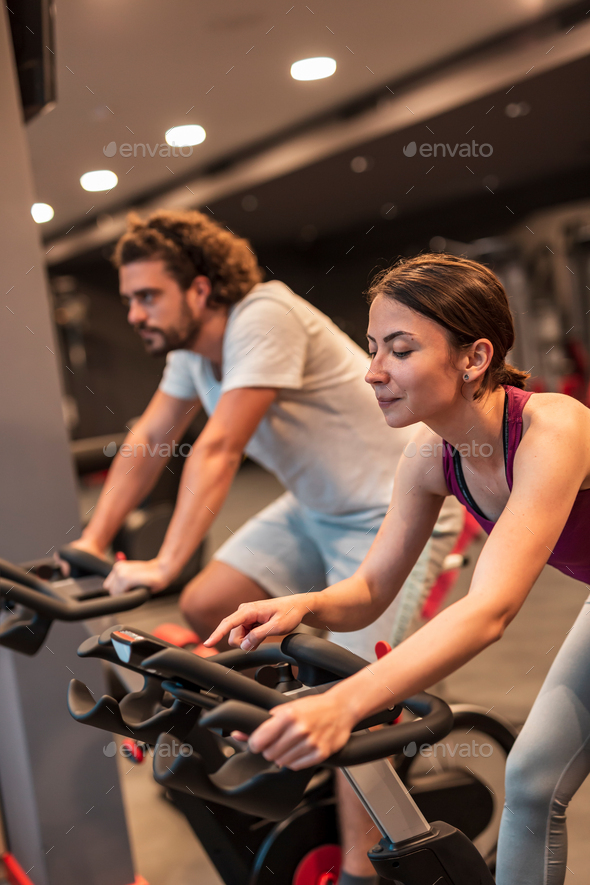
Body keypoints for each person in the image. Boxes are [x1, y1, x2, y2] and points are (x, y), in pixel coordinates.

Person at [66, 211, 462, 885]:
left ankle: (361, 868)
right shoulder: (192, 352)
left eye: (147, 295)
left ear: (199, 289)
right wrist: (93, 540)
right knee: (208, 604)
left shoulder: (264, 315)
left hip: (391, 508)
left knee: (353, 702)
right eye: (128, 298)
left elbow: (219, 445)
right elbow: (151, 437)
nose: (133, 312)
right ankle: (290, 742)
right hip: (314, 508)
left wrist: (165, 560)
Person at [206, 252, 590, 885]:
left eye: (401, 350)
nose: (373, 371)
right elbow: (370, 588)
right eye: (373, 348)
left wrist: (344, 704)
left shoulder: (553, 427)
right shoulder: (429, 456)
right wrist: (304, 604)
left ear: (474, 357)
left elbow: (490, 610)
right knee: (530, 781)